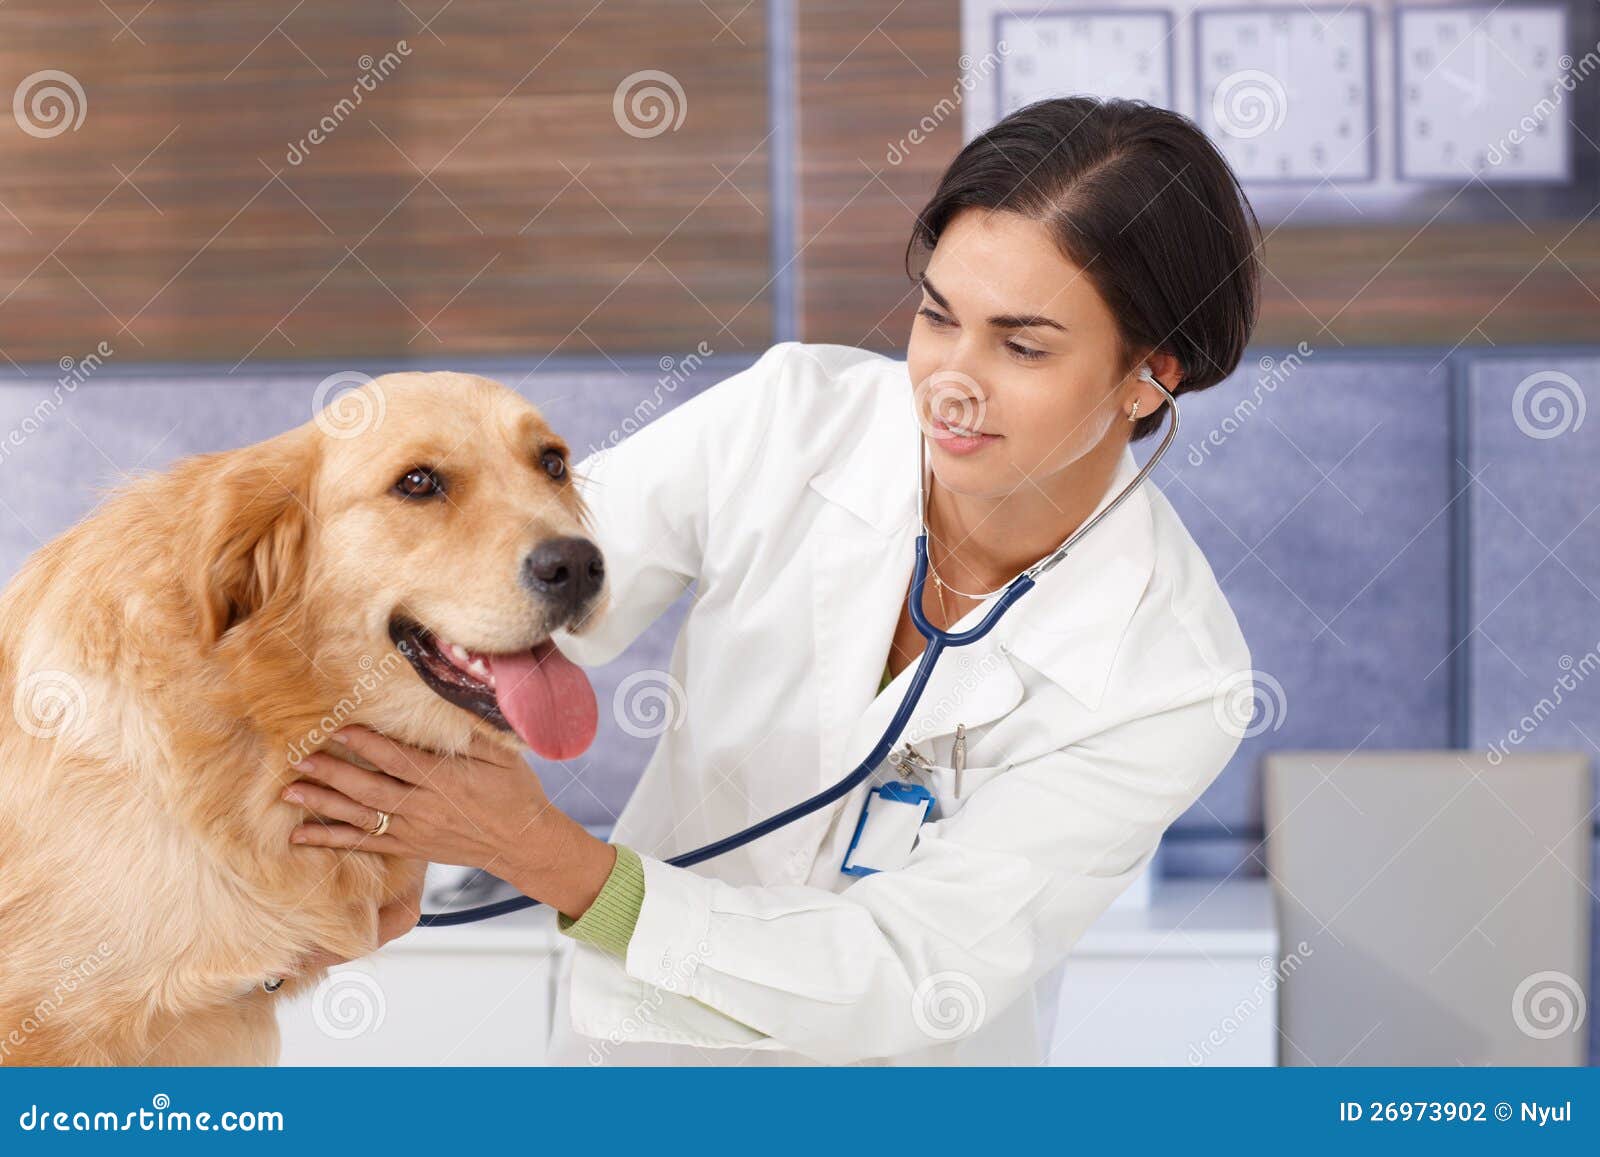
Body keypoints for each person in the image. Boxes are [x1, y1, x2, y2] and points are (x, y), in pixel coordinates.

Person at [283, 95, 1263, 1065]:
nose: (951, 382)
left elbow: (906, 970)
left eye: (1021, 345)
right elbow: (514, 598)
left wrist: (548, 857)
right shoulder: (793, 420)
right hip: (643, 1067)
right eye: (936, 316)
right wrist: (357, 835)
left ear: (1150, 374)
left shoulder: (1169, 673)